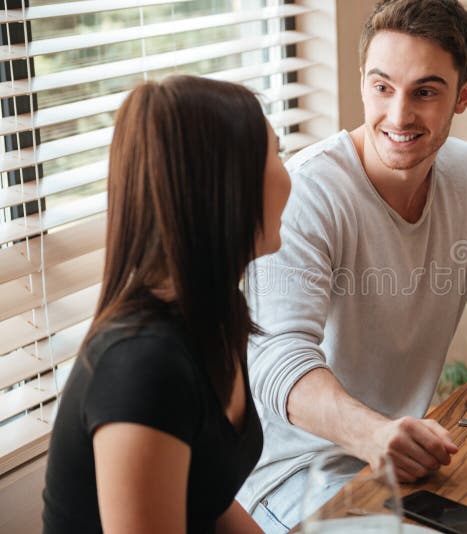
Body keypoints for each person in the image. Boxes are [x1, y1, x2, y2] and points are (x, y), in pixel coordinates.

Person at [238, 0, 467, 530]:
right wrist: (372, 434)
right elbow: (276, 359)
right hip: (295, 474)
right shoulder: (310, 192)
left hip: (405, 459)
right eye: (382, 87)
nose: (399, 115)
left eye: (425, 92)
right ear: (363, 82)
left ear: (464, 95)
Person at [42, 75, 291, 533]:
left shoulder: (217, 314)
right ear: (227, 187)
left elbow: (209, 500)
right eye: (276, 153)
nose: (288, 174)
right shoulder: (142, 367)